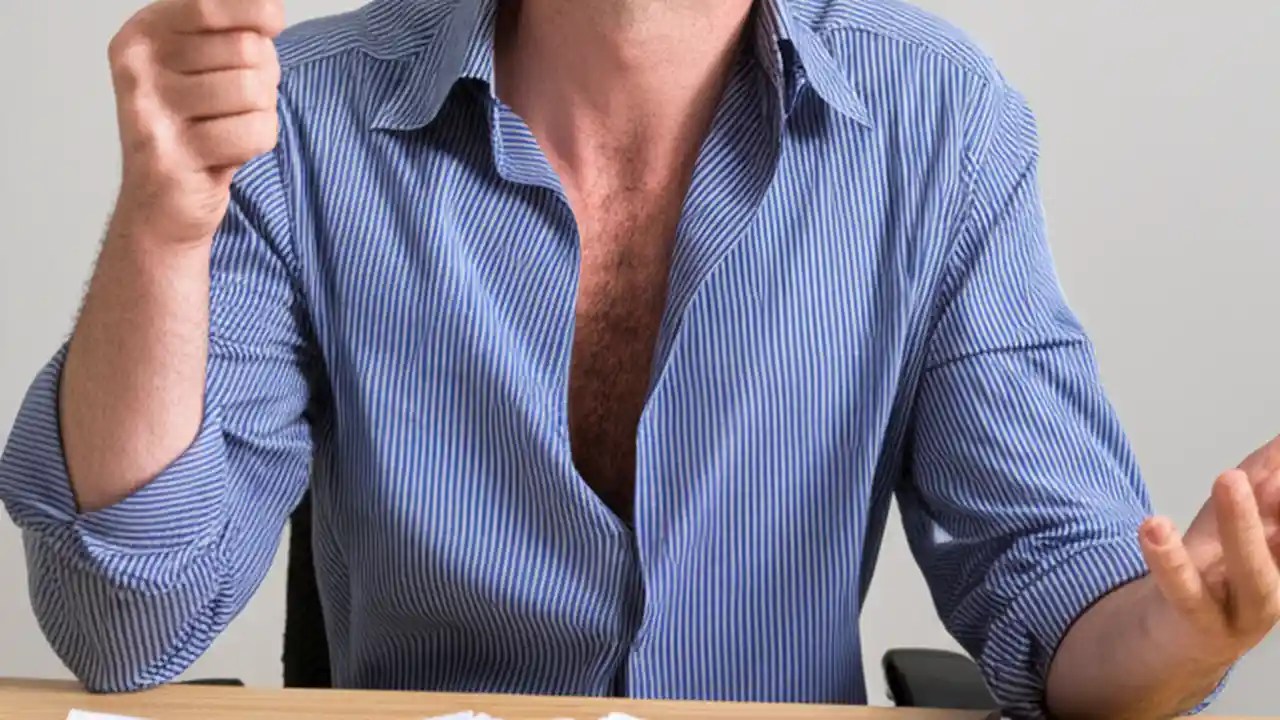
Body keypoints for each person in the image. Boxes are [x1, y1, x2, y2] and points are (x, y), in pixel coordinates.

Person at [1, 0, 1276, 717]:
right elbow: (126, 625)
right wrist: (165, 233)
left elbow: (1054, 594)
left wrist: (1176, 632)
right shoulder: (303, 117)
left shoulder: (939, 120)